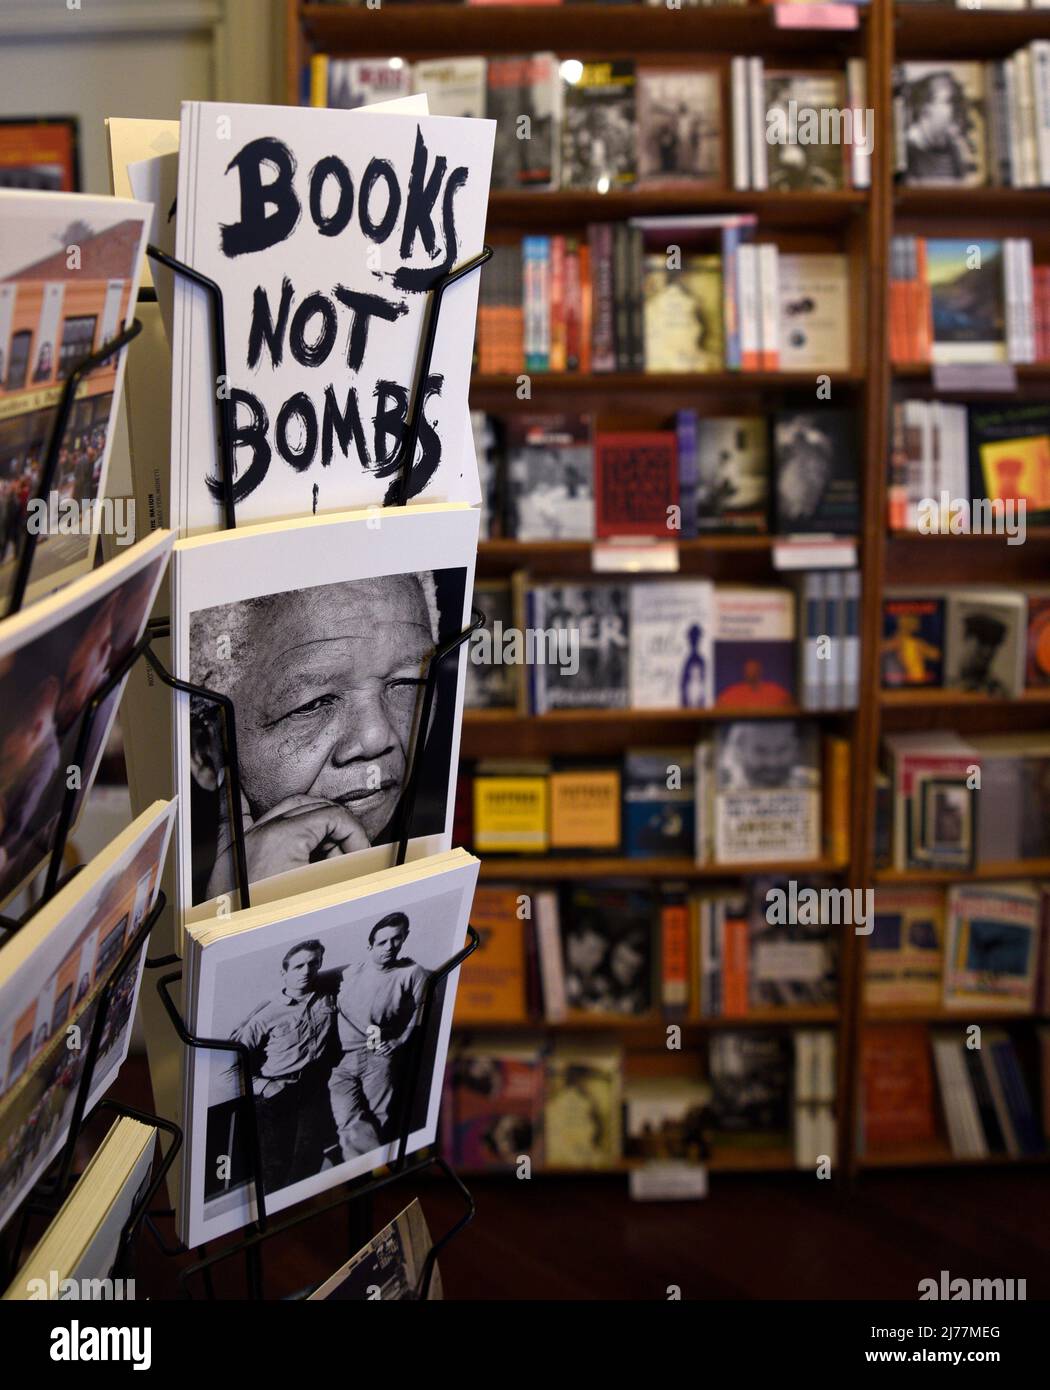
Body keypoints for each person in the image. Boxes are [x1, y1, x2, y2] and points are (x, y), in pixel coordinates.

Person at [188, 571, 442, 900]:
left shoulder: (442, 864)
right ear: (205, 752)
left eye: (407, 683)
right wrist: (237, 918)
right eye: (312, 704)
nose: (376, 737)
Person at [228, 938, 338, 1194]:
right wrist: (266, 1087)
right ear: (283, 972)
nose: (306, 971)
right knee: (275, 1166)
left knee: (308, 1157)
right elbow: (228, 1070)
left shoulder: (327, 998)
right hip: (276, 1094)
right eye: (298, 966)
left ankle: (299, 1207)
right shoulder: (264, 1015)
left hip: (313, 1089)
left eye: (313, 964)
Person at [327, 912, 429, 1162]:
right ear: (370, 946)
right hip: (343, 1059)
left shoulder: (412, 972)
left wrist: (399, 1040)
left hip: (377, 1055)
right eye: (382, 942)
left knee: (380, 1119)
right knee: (347, 1119)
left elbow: (423, 1009)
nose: (390, 947)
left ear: (405, 937)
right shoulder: (352, 971)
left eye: (396, 939)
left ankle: (371, 1170)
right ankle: (360, 1165)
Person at [905, 72, 974, 185]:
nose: (955, 110)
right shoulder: (906, 151)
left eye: (956, 102)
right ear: (925, 107)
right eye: (948, 101)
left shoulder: (954, 148)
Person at [953, 611, 1008, 695]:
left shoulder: (996, 690)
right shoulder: (947, 679)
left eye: (993, 647)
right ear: (966, 640)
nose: (987, 654)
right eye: (982, 644)